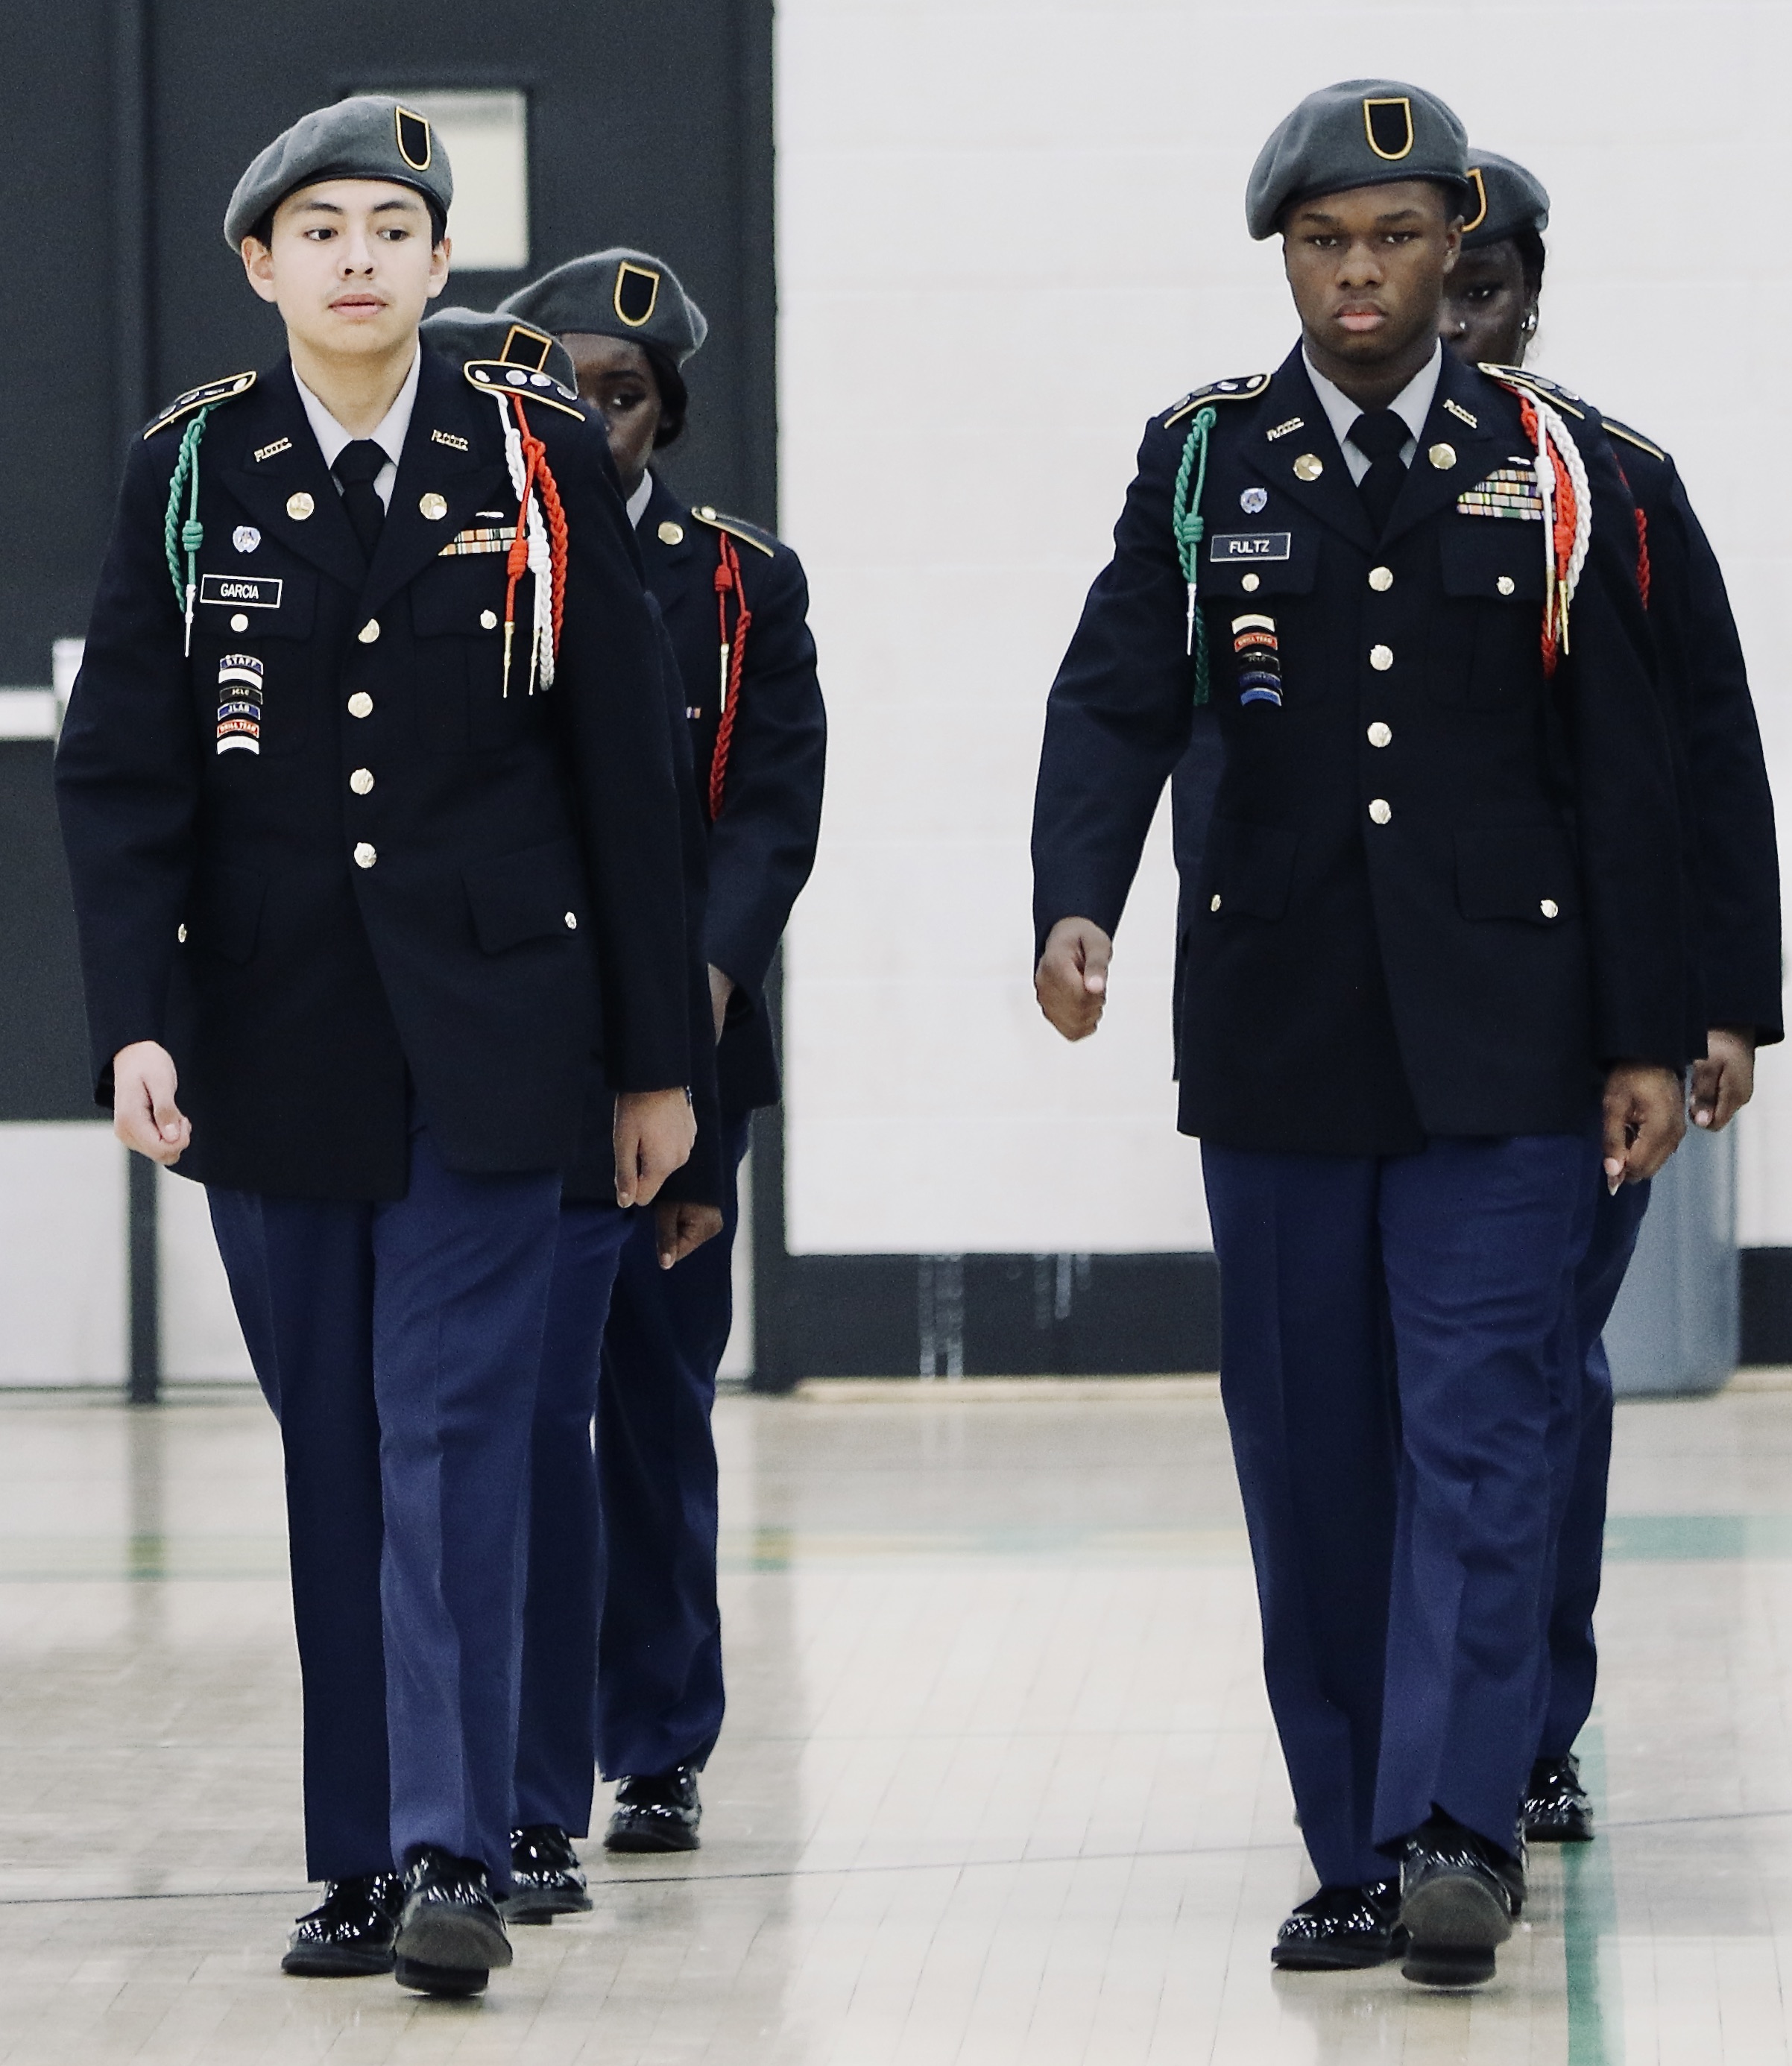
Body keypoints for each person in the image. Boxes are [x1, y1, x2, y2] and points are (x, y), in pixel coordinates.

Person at [1032, 80, 1690, 1988]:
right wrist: (1079, 893)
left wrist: (1646, 1030)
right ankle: (1347, 1842)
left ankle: (1456, 1825)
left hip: (1509, 1038)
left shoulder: (1558, 470)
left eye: (1394, 241)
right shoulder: (1200, 460)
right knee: (1314, 1452)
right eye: (1323, 245)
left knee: (1482, 1432)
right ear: (1284, 259)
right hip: (1280, 1034)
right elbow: (1110, 696)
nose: (1358, 279)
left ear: (1451, 250)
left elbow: (1628, 776)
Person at [54, 100, 694, 1997]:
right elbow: (123, 780)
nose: (353, 256)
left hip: (503, 1036)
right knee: (336, 1451)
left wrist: (657, 1064)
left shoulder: (537, 454)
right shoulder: (193, 470)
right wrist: (136, 1023)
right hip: (274, 1042)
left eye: (389, 227)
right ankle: (356, 1856)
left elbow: (623, 771)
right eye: (315, 228)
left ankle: (453, 1848)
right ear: (259, 268)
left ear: (437, 264)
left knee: (456, 1438)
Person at [1442, 151, 1782, 1842]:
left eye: (1486, 290)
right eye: (1435, 284)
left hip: (1584, 1028)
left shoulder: (1621, 485)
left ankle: (1526, 1722)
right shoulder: (1275, 472)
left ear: (1527, 292)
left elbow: (1710, 754)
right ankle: (1416, 1728)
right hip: (1366, 1039)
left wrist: (1720, 1002)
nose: (1458, 323)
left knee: (1536, 1378)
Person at [494, 250, 825, 1874]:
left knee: (653, 1406)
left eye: (620, 395)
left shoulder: (740, 583)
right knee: (521, 1416)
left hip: (683, 1054)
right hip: (516, 1053)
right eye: (561, 386)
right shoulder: (476, 550)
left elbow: (768, 811)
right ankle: (520, 1757)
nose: (591, 417)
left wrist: (693, 999)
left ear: (666, 412)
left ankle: (660, 1740)